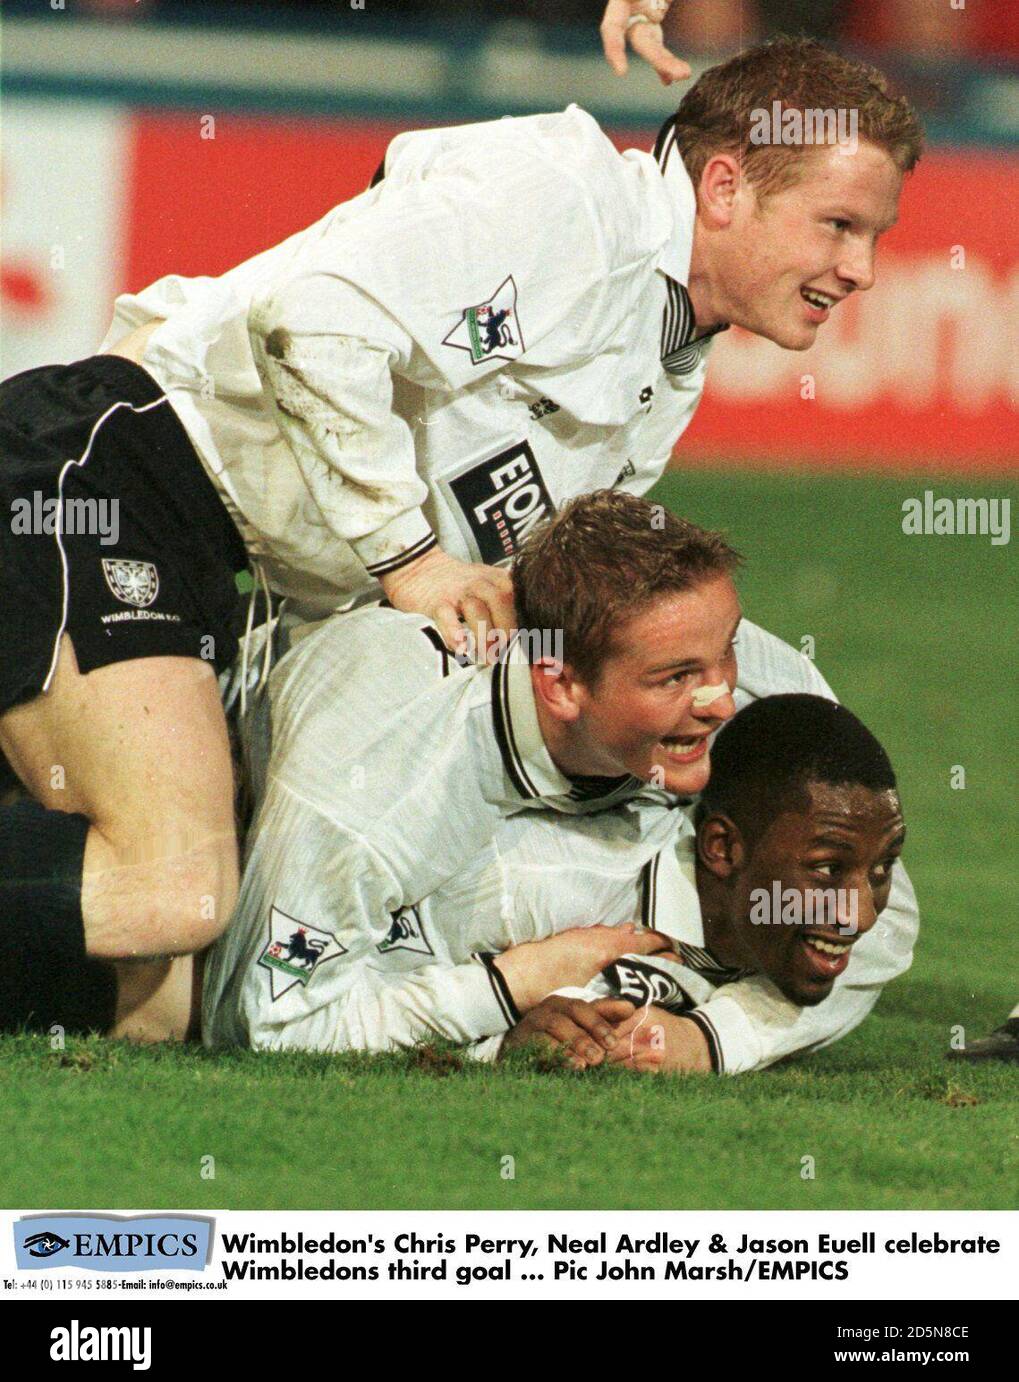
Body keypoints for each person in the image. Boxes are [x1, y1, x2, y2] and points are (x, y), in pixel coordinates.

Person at [0, 36, 923, 1035]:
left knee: (161, 993)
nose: (859, 269)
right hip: (109, 467)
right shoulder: (563, 196)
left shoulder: (663, 363)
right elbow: (308, 318)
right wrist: (405, 556)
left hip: (207, 566)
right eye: (837, 225)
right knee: (174, 889)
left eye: (871, 236)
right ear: (727, 185)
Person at [201, 498, 919, 1067]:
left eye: (725, 651)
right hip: (212, 763)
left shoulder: (740, 683)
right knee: (156, 1002)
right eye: (676, 678)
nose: (721, 700)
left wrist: (712, 1041)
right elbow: (270, 1024)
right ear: (562, 685)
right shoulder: (376, 793)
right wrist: (512, 987)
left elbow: (882, 917)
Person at [510, 693, 912, 1073]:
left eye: (882, 866)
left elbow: (890, 937)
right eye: (827, 869)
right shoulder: (549, 886)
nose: (860, 917)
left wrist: (709, 1040)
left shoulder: (810, 925)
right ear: (722, 848)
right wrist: (500, 1021)